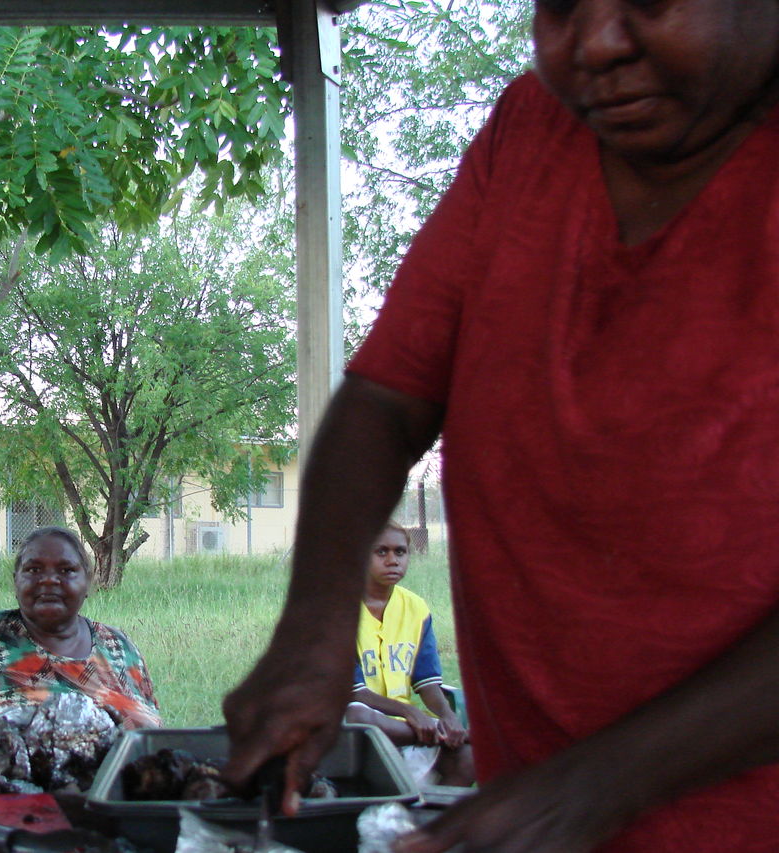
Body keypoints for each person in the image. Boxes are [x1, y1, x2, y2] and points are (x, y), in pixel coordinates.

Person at [221, 1, 779, 851]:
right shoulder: (531, 128)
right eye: (559, 6)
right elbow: (385, 399)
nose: (595, 43)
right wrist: (315, 626)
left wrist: (594, 786)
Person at [0, 526, 161, 788]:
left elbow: (152, 734)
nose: (49, 580)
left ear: (87, 582)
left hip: (116, 804)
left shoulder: (118, 646)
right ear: (16, 581)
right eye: (34, 569)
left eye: (66, 570)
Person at [343, 521, 473, 787]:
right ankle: (438, 734)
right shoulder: (337, 609)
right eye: (381, 552)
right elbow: (354, 692)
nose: (393, 560)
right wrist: (412, 714)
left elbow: (427, 683)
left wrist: (448, 717)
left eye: (400, 552)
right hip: (353, 729)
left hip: (402, 728)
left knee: (467, 758)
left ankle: (425, 813)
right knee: (357, 717)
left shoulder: (416, 608)